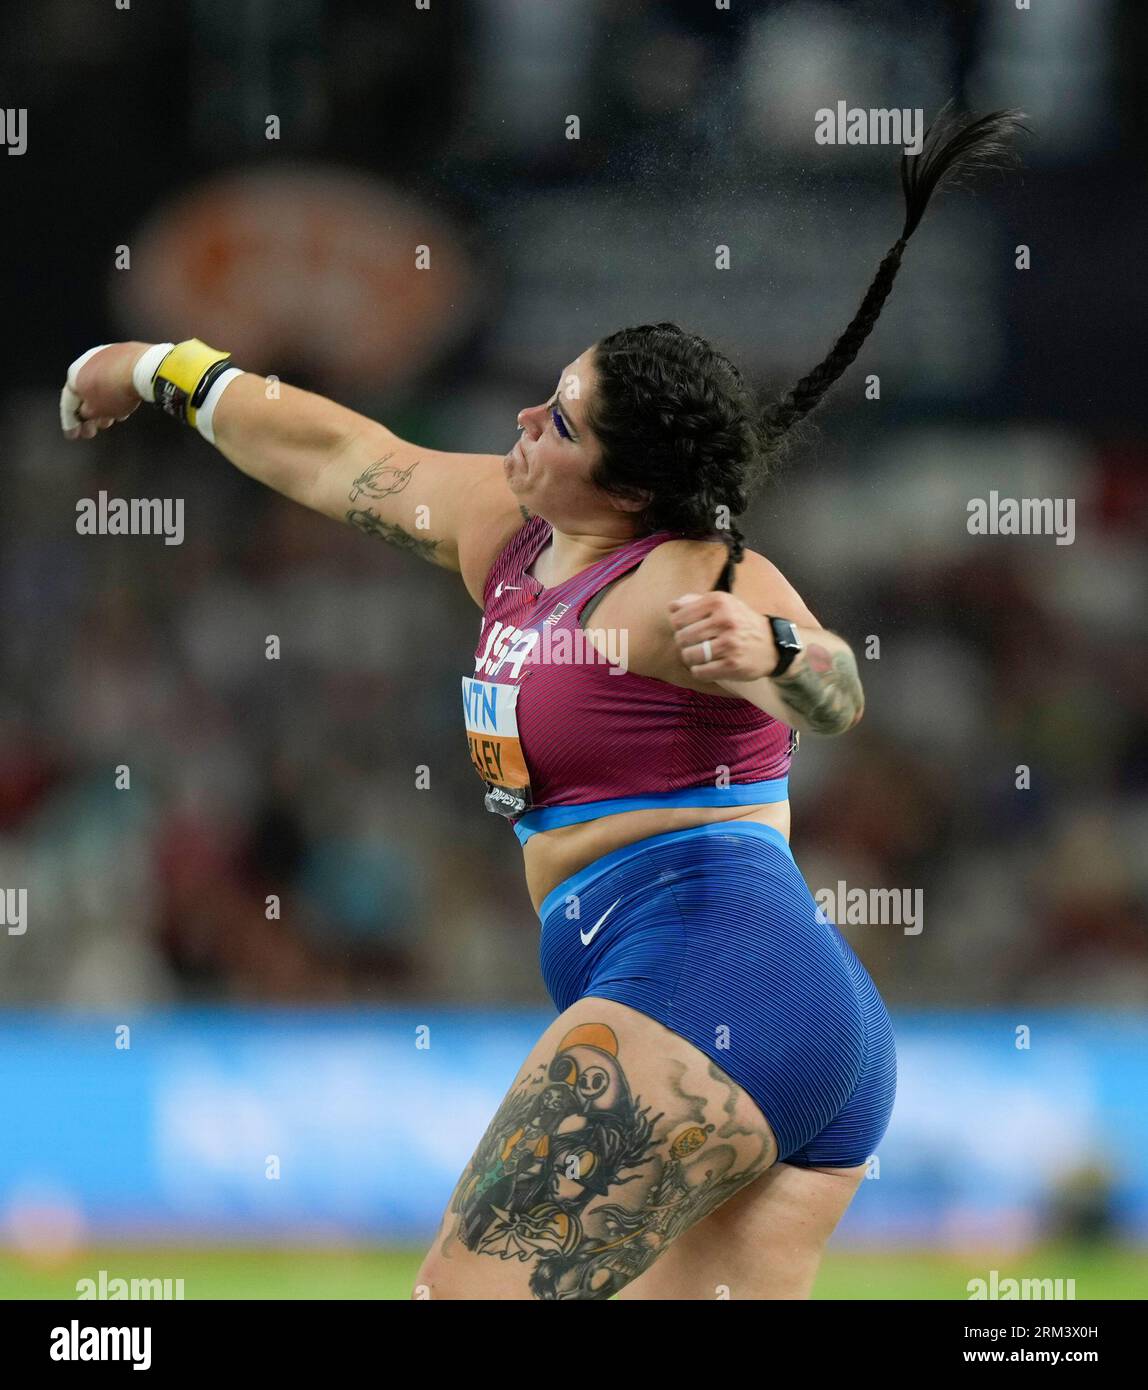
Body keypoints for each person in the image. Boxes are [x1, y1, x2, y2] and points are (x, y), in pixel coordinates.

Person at [60, 104, 1022, 1300]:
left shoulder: (683, 577)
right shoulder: (512, 533)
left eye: (560, 422)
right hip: (767, 1011)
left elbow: (835, 687)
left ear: (629, 482)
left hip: (715, 976)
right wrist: (168, 369)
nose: (524, 421)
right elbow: (330, 453)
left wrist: (772, 645)